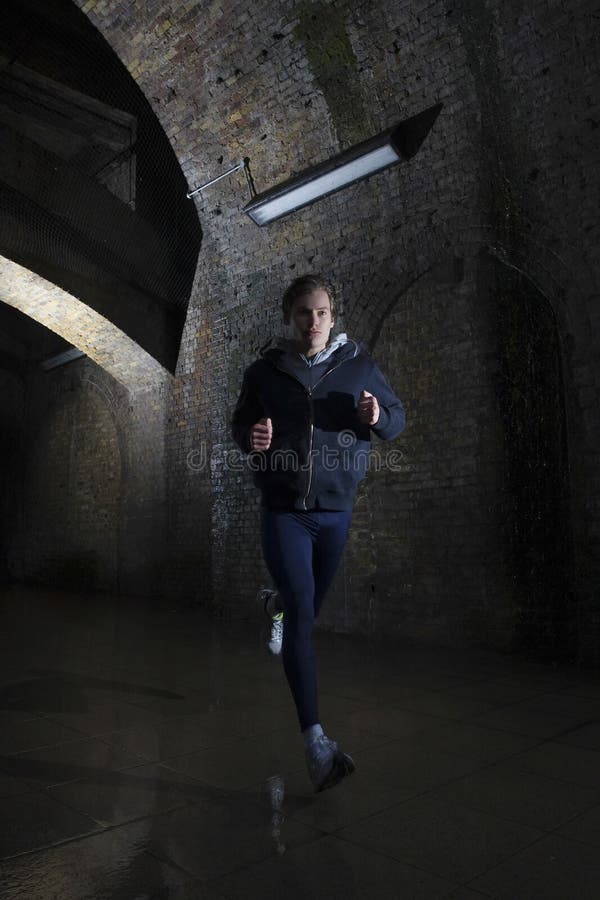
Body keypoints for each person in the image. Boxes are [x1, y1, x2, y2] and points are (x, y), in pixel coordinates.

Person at [231, 274, 405, 792]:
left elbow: (397, 419)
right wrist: (252, 435)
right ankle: (316, 744)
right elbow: (240, 425)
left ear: (333, 316)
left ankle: (275, 605)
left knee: (305, 607)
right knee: (303, 619)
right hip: (284, 510)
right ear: (290, 317)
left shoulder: (359, 367)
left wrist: (378, 414)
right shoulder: (264, 372)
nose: (314, 321)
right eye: (304, 313)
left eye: (322, 312)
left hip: (335, 511)